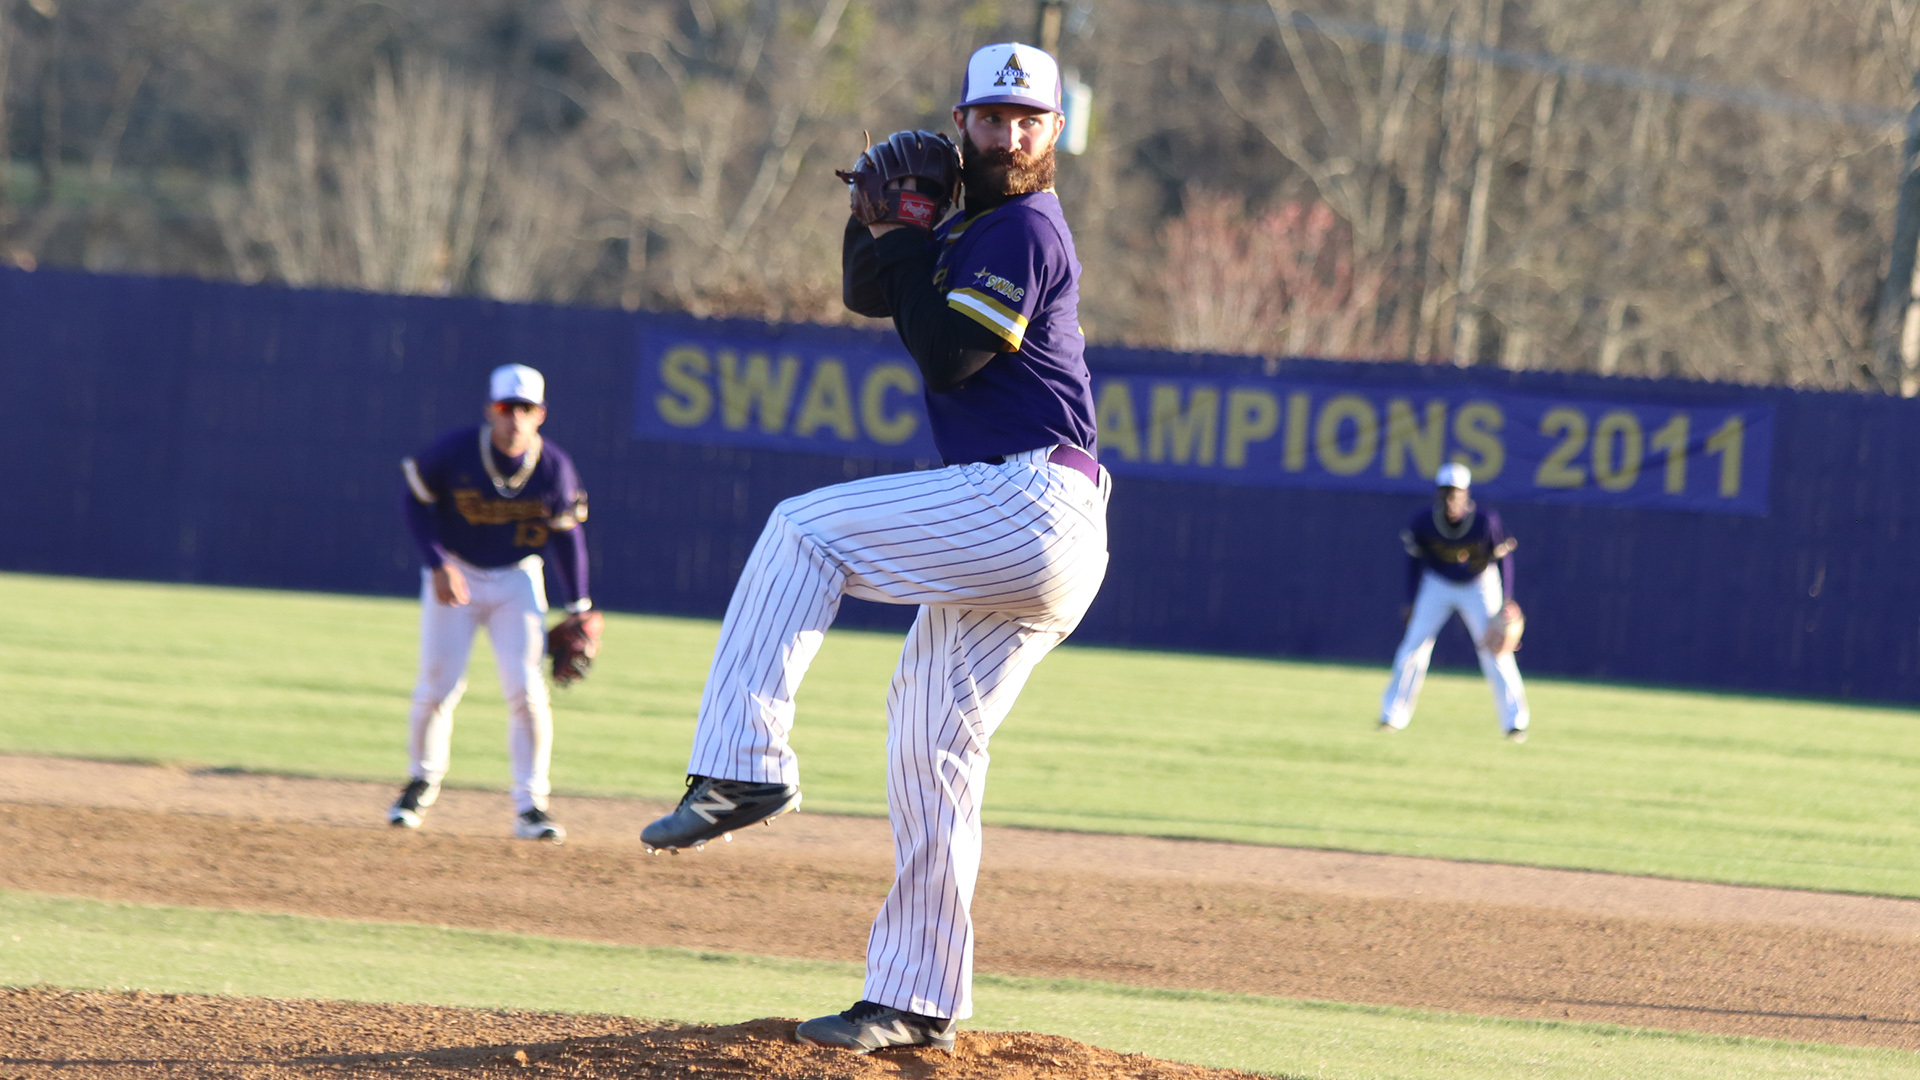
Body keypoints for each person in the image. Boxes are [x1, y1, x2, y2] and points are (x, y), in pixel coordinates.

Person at [639, 42, 1110, 1054]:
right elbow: (872, 295)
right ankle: (913, 997)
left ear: (1055, 132)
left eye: (1030, 119)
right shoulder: (972, 221)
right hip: (1032, 521)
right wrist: (882, 224)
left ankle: (743, 767)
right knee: (930, 747)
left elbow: (947, 354)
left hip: (1031, 503)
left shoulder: (1022, 228)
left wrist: (909, 233)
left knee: (802, 530)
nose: (1011, 134)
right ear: (966, 120)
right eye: (993, 117)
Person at [388, 363, 592, 842]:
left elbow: (567, 536)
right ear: (490, 410)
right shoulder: (457, 451)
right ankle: (420, 783)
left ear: (540, 414)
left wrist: (579, 603)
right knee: (437, 686)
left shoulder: (553, 467)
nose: (514, 417)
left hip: (517, 580)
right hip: (454, 575)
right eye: (506, 408)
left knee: (526, 692)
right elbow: (414, 500)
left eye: (525, 408)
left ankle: (530, 805)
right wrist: (436, 563)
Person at [1379, 462, 1530, 740]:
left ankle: (1515, 722)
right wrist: (1410, 600)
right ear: (1437, 494)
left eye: (1456, 493)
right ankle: (1392, 716)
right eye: (1445, 492)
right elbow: (1414, 561)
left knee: (1495, 649)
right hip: (1438, 583)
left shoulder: (1485, 521)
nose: (1450, 499)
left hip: (1479, 583)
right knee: (1413, 647)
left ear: (1466, 495)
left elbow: (1503, 558)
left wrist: (1507, 598)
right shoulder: (1424, 521)